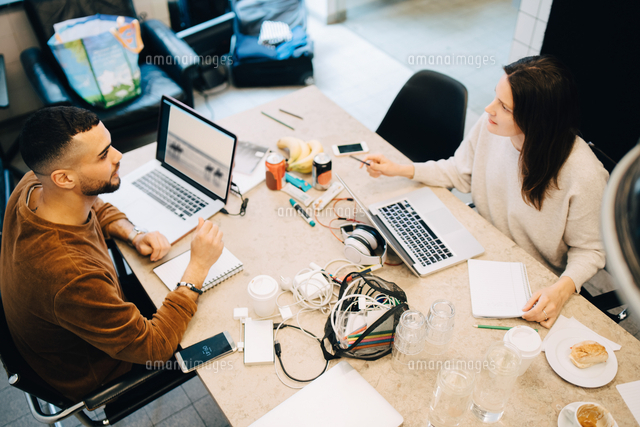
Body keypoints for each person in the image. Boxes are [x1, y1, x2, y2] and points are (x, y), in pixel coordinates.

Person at [361, 55, 608, 328]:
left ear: (537, 120)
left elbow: (590, 251)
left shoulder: (584, 174)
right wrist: (400, 169)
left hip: (531, 279)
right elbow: (460, 171)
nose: (490, 109)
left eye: (504, 107)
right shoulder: (493, 125)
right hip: (477, 247)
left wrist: (562, 290)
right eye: (495, 98)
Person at [0, 106, 224, 401]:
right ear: (64, 178)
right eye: (103, 155)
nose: (119, 156)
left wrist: (133, 233)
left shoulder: (34, 184)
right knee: (223, 330)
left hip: (76, 326)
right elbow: (154, 348)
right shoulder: (70, 276)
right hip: (100, 371)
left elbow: (92, 203)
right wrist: (198, 267)